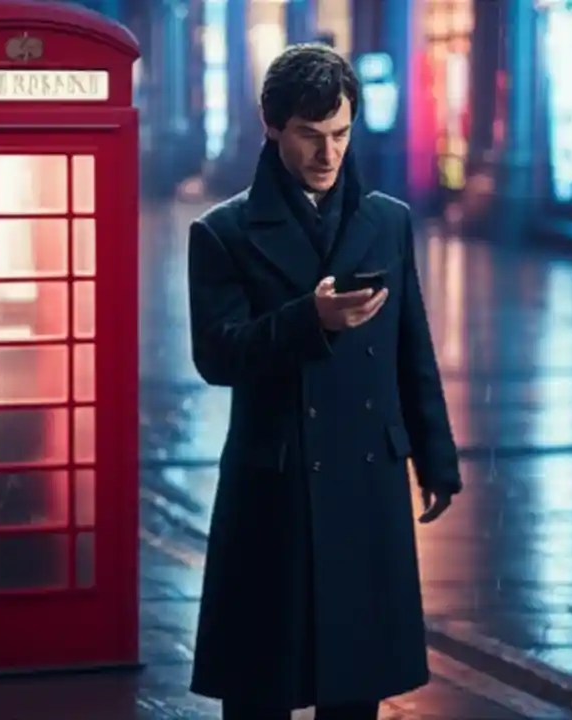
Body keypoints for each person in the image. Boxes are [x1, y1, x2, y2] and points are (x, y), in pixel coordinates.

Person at [185, 44, 462, 720]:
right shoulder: (222, 233)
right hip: (274, 482)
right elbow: (217, 356)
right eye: (310, 134)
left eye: (340, 133)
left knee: (355, 685)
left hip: (366, 477)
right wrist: (308, 321)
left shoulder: (388, 220)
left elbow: (411, 347)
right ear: (271, 125)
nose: (328, 152)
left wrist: (435, 459)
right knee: (261, 686)